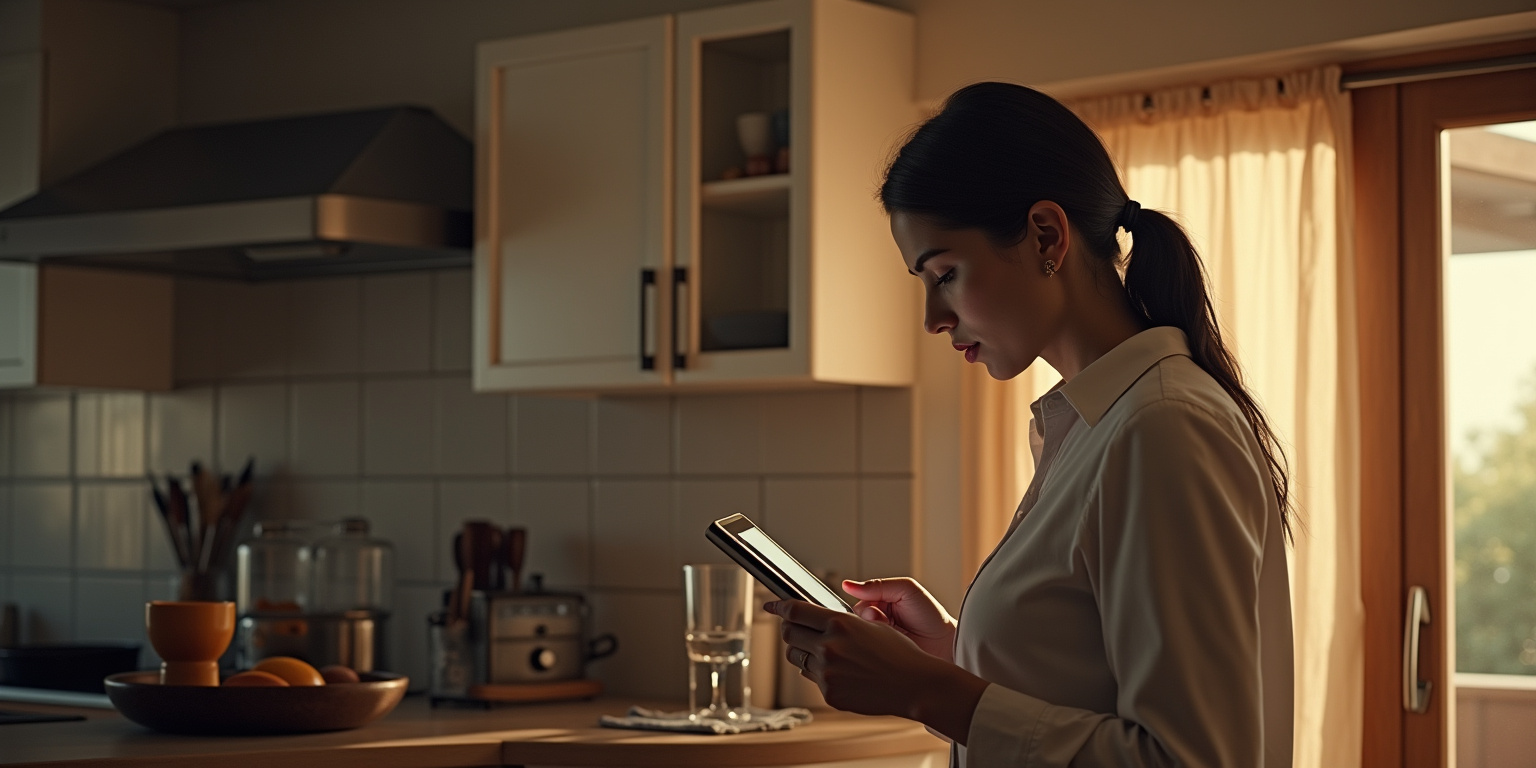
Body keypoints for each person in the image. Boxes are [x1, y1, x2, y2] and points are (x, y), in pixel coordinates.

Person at [765, 82, 1295, 767]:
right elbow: (1083, 685)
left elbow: (1189, 759)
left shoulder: (1162, 429)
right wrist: (950, 654)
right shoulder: (1097, 425)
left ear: (1047, 235)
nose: (932, 319)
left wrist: (927, 691)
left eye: (945, 274)